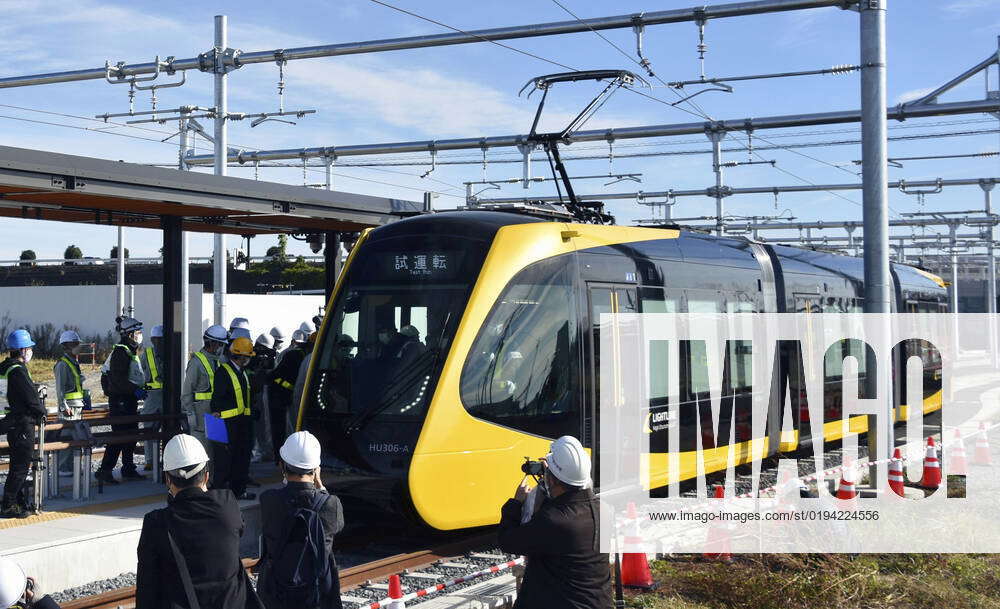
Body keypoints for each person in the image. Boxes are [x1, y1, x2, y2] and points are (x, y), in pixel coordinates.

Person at [136, 434, 260, 609]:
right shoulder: (227, 505)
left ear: (168, 479)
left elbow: (146, 589)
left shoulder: (156, 523)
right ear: (207, 476)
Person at [497, 435, 611, 609]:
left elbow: (507, 541)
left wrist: (516, 503)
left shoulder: (553, 521)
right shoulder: (604, 510)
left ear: (553, 479)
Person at [257, 431, 344, 609]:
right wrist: (321, 488)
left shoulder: (268, 500)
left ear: (282, 465)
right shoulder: (330, 504)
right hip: (316, 596)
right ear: (316, 469)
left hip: (277, 593)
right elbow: (338, 525)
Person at [96, 316, 147, 484]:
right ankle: (105, 470)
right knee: (119, 436)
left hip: (127, 399)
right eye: (138, 332)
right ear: (130, 334)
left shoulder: (129, 350)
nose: (140, 335)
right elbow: (118, 379)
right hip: (120, 401)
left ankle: (128, 468)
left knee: (131, 434)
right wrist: (135, 390)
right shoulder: (121, 352)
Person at [0, 330, 45, 518]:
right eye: (29, 348)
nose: (30, 352)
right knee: (20, 466)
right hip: (21, 423)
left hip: (10, 421)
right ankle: (8, 505)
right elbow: (30, 399)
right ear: (23, 349)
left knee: (16, 465)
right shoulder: (17, 370)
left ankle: (16, 501)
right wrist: (42, 412)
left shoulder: (4, 367)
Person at [211, 337, 256, 501]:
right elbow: (217, 400)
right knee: (223, 460)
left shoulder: (242, 373)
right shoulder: (223, 372)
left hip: (242, 423)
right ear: (241, 356)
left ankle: (239, 490)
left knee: (242, 457)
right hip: (224, 423)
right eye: (248, 356)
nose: (249, 359)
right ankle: (221, 494)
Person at [182, 325, 229, 449]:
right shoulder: (196, 362)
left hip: (216, 415)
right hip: (201, 419)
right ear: (214, 344)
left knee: (216, 455)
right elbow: (187, 392)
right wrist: (190, 415)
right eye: (221, 344)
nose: (222, 348)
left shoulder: (221, 361)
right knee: (203, 453)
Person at [53, 330, 88, 476]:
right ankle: (63, 468)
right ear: (66, 346)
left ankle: (70, 467)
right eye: (75, 343)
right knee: (67, 437)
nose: (77, 346)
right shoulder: (63, 364)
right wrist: (63, 406)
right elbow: (60, 388)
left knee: (76, 437)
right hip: (69, 408)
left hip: (77, 406)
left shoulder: (74, 362)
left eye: (77, 343)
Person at [267, 331, 306, 459]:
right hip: (282, 395)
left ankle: (281, 455)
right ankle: (282, 455)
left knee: (285, 428)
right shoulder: (292, 355)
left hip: (284, 395)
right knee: (284, 428)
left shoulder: (294, 354)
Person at [249, 334, 277, 465]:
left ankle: (265, 451)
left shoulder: (271, 360)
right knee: (255, 427)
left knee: (265, 425)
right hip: (253, 395)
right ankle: (256, 452)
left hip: (263, 393)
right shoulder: (249, 357)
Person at [141, 325, 165, 471]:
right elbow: (140, 374)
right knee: (149, 428)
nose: (159, 342)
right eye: (156, 340)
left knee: (170, 427)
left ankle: (165, 459)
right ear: (152, 340)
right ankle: (150, 460)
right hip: (153, 396)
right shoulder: (146, 354)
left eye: (161, 339)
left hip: (168, 395)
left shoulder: (171, 353)